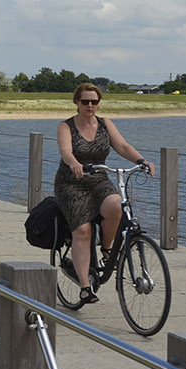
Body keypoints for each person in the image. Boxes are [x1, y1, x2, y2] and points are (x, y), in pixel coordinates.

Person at [55, 82, 154, 306]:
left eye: (94, 101)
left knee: (117, 205)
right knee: (82, 231)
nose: (90, 105)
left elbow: (122, 146)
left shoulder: (105, 124)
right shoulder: (66, 126)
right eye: (85, 101)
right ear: (76, 103)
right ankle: (85, 287)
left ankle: (107, 249)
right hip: (72, 183)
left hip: (99, 179)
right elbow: (66, 152)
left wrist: (141, 161)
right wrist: (74, 164)